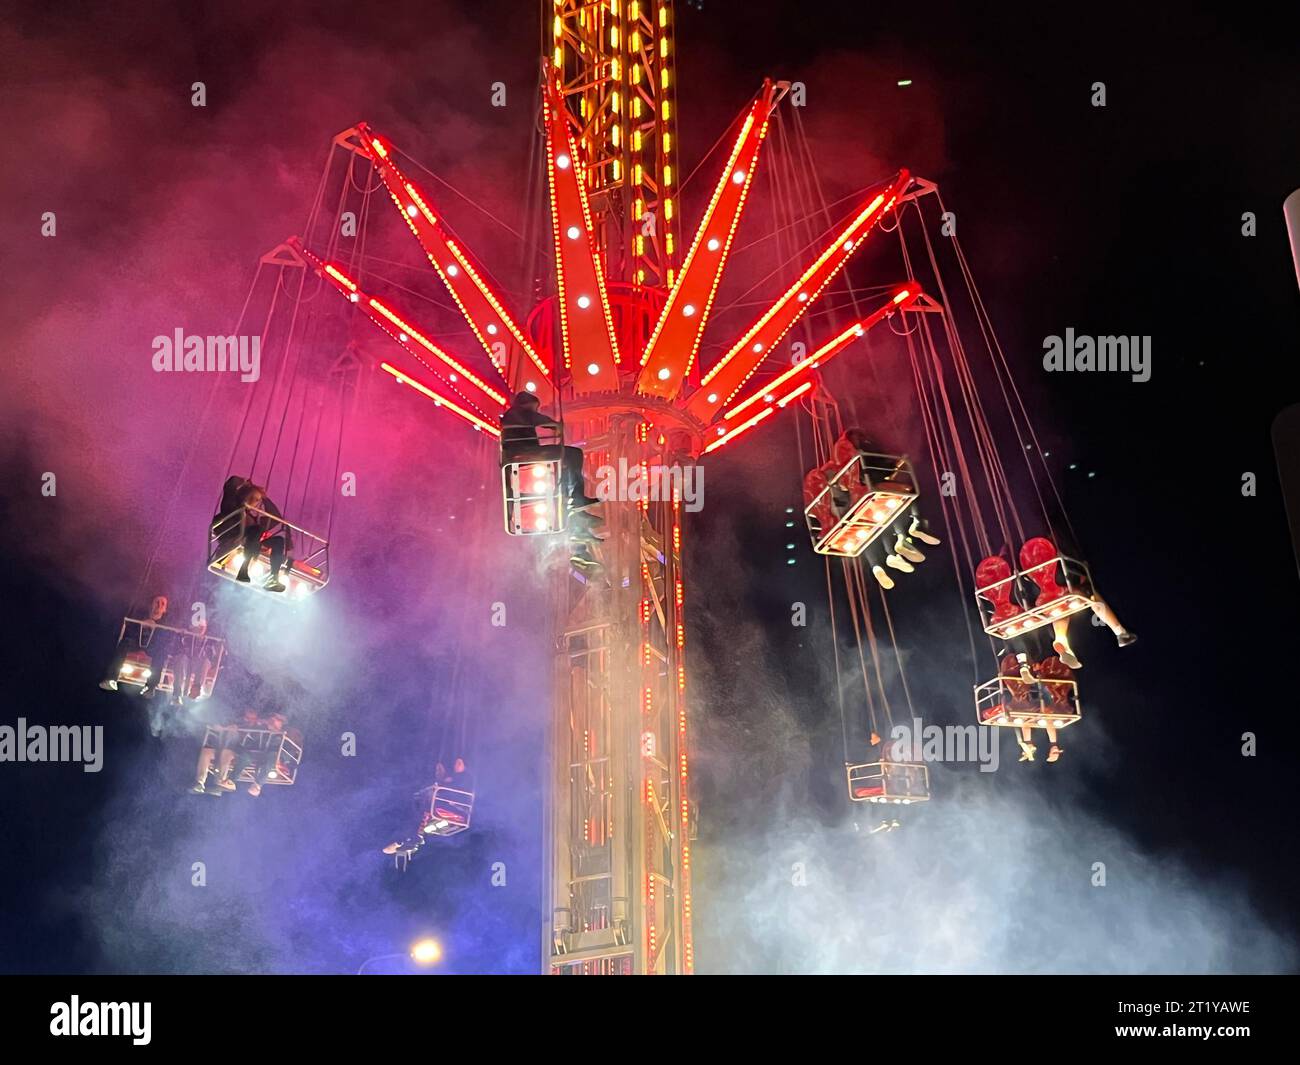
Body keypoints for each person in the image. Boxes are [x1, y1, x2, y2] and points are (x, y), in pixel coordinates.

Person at [211, 477, 293, 592]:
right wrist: (245, 482)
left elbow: (276, 517)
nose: (254, 502)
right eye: (252, 497)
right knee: (256, 530)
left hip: (251, 543)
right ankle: (243, 568)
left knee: (278, 540)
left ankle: (273, 578)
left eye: (257, 500)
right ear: (244, 495)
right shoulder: (231, 507)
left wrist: (265, 498)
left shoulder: (255, 520)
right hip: (233, 536)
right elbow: (231, 484)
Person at [100, 595, 172, 695]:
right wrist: (142, 625)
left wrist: (155, 629)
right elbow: (130, 631)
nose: (159, 605)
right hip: (137, 643)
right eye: (157, 602)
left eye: (162, 604)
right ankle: (111, 678)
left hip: (152, 647)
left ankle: (150, 687)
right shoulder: (140, 616)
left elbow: (164, 640)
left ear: (164, 609)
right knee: (125, 643)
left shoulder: (165, 623)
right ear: (151, 604)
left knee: (160, 653)